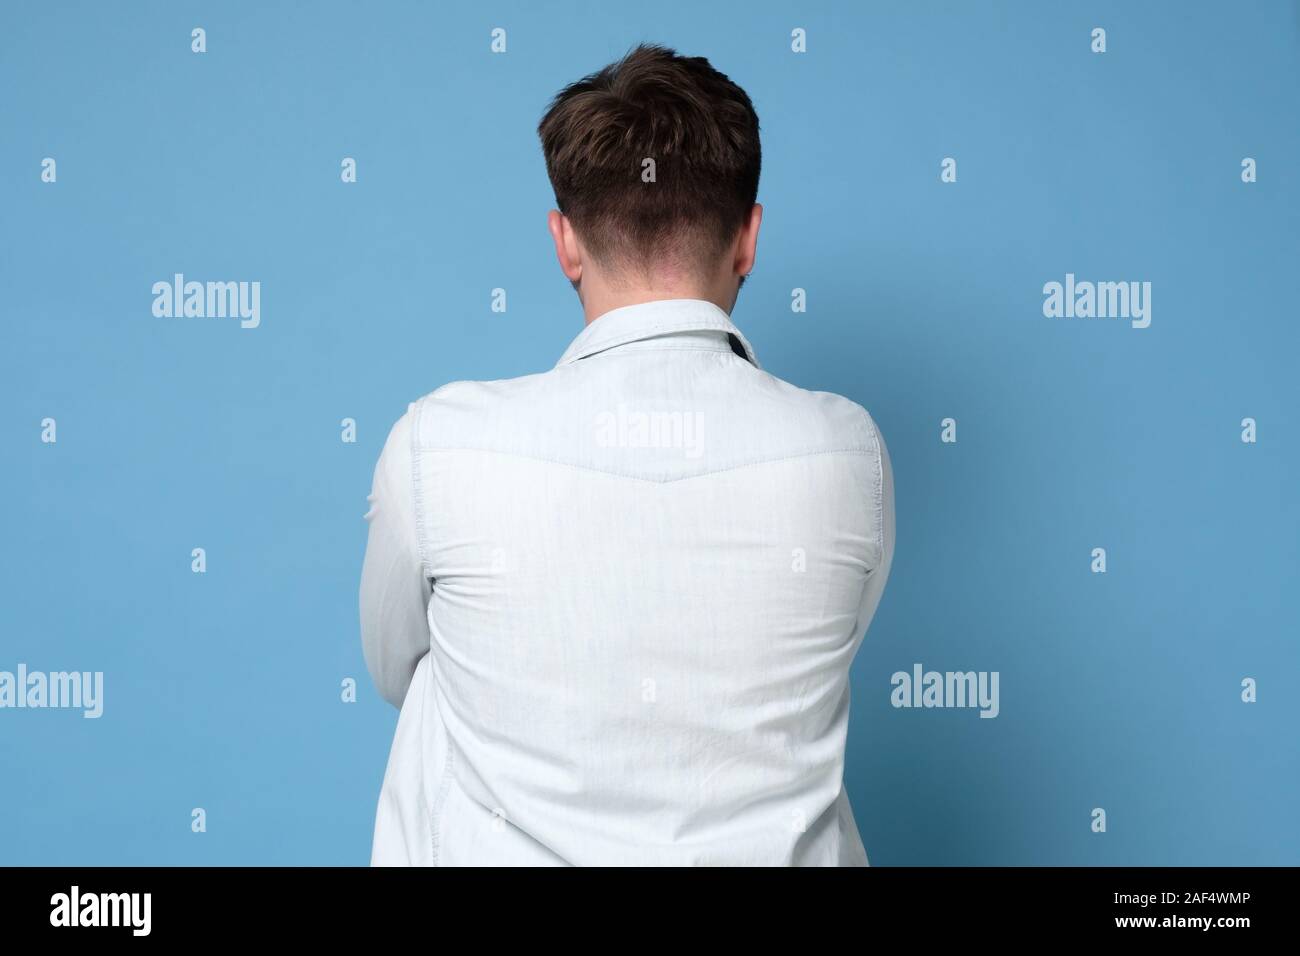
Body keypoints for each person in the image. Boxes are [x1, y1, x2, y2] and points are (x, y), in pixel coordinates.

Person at [359, 43, 894, 866]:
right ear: (749, 240)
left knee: (447, 675)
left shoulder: (438, 444)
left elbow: (391, 671)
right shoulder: (847, 450)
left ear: (565, 243)